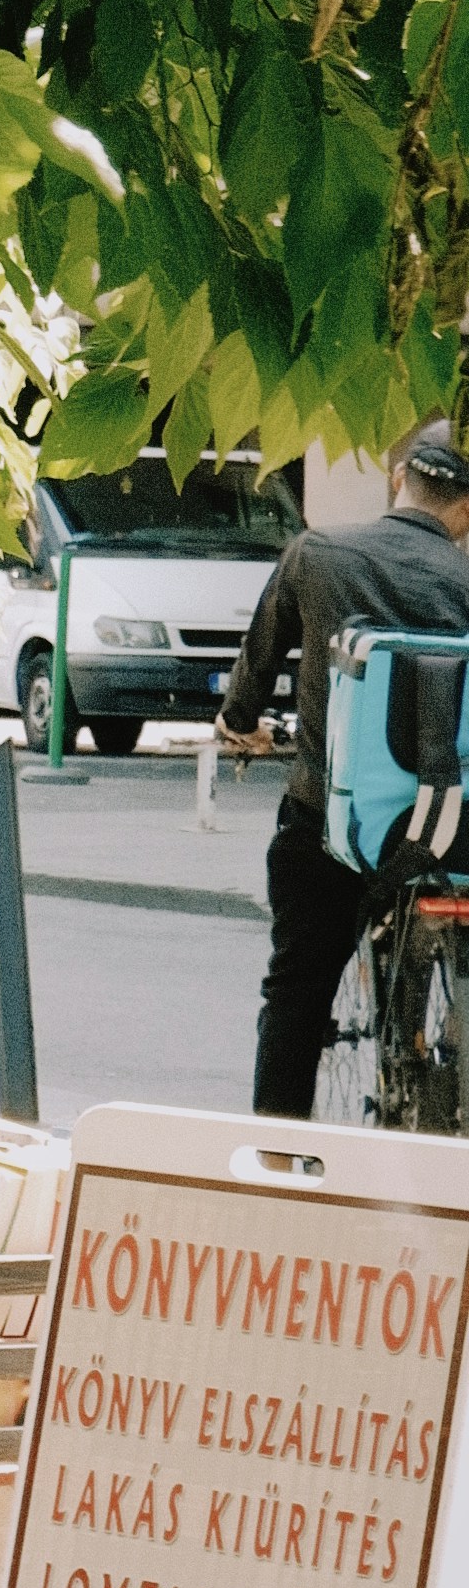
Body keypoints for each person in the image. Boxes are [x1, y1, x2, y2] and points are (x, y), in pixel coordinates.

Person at [219, 421, 469, 1111]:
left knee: (297, 988)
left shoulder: (317, 554)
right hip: (453, 829)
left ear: (398, 481)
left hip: (334, 824)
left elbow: (257, 666)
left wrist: (239, 725)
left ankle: (279, 1156)